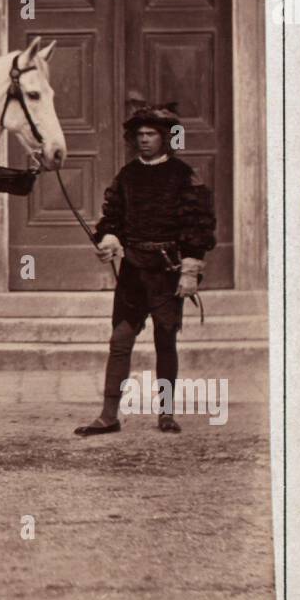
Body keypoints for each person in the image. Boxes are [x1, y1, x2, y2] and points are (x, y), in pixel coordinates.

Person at [74, 101, 216, 437]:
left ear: (165, 137)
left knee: (165, 341)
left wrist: (190, 270)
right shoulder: (127, 175)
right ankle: (109, 416)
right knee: (120, 341)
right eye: (139, 134)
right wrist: (109, 238)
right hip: (133, 271)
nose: (144, 140)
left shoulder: (184, 176)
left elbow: (199, 223)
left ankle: (166, 414)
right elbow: (113, 216)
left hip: (168, 271)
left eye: (151, 133)